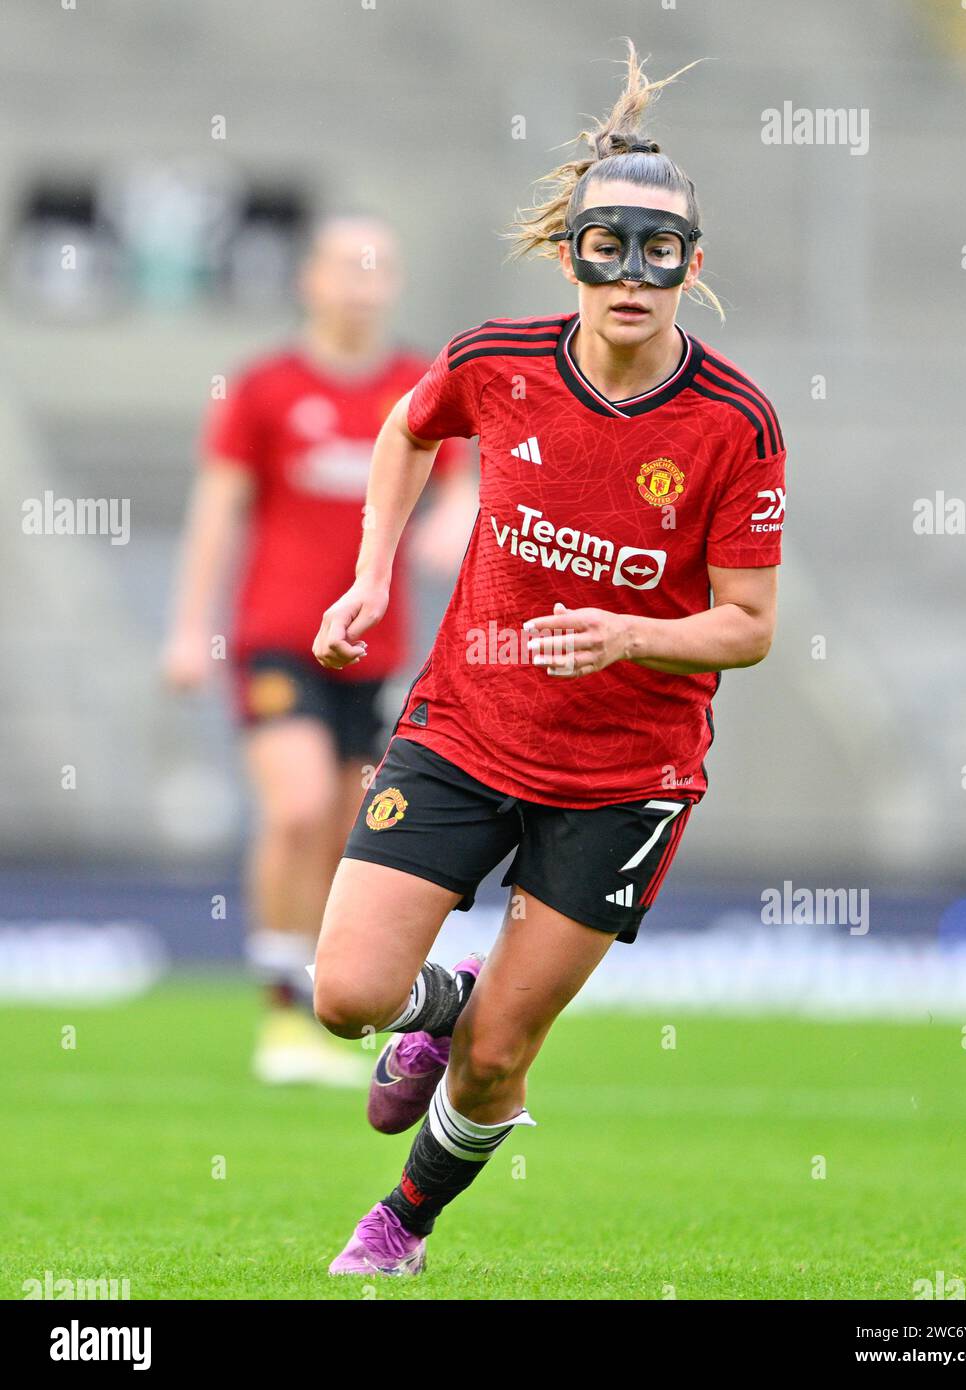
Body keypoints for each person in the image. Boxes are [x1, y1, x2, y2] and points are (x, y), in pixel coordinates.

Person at [311, 41, 786, 1273]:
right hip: (465, 725)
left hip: (625, 775)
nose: (631, 276)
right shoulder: (497, 365)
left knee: (499, 1058)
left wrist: (629, 632)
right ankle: (440, 996)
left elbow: (747, 625)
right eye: (607, 246)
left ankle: (400, 1224)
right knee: (346, 996)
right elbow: (406, 431)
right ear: (571, 249)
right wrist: (371, 574)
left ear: (691, 262)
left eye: (659, 251)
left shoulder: (732, 426)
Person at [162, 216, 475, 1086]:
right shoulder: (265, 388)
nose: (362, 284)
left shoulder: (420, 383)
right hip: (278, 640)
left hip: (378, 656)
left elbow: (460, 482)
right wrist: (191, 627)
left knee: (348, 831)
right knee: (296, 808)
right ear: (311, 280)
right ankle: (279, 1012)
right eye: (347, 267)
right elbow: (217, 512)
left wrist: (452, 519)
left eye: (379, 269)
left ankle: (334, 1005)